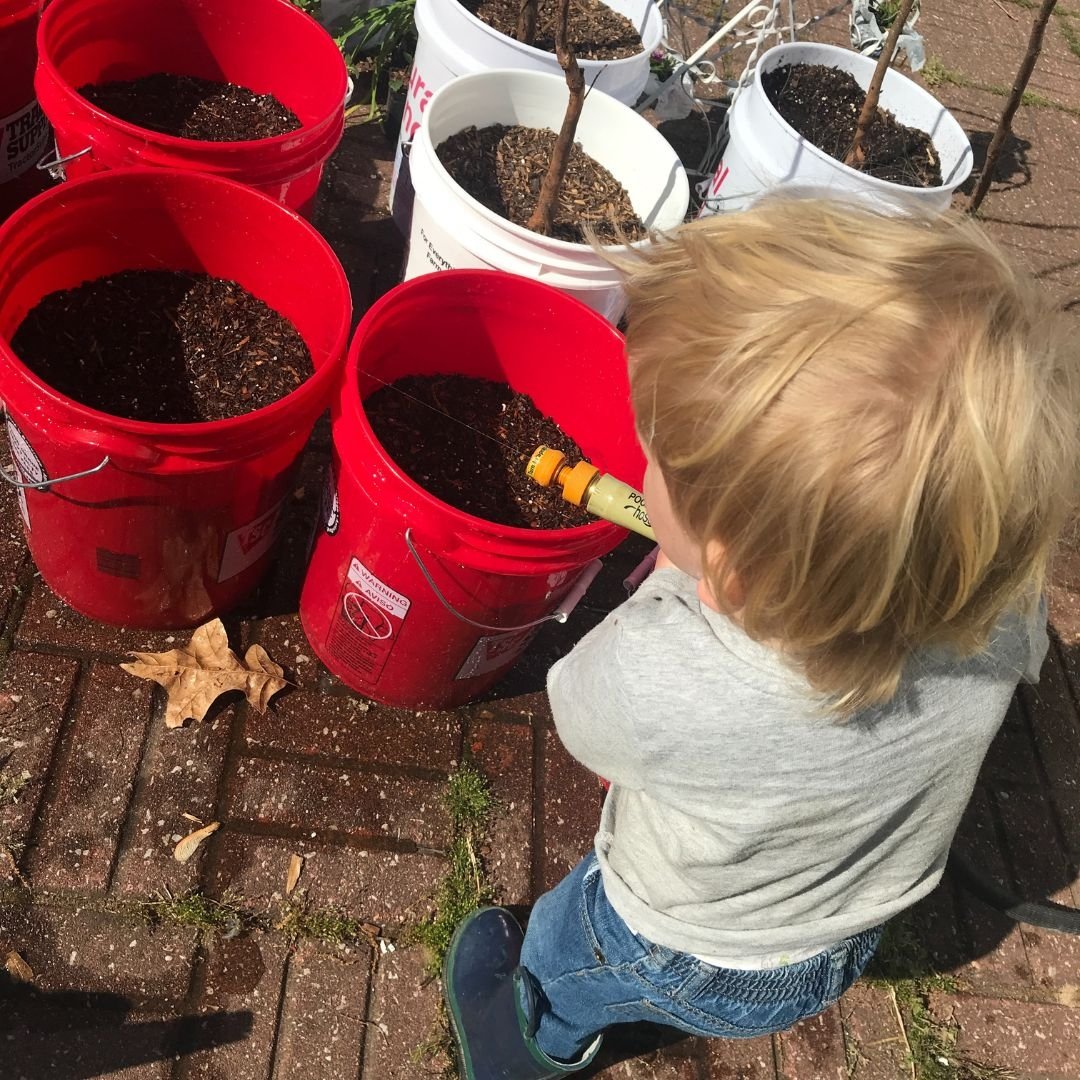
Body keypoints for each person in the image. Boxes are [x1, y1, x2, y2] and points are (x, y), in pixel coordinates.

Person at [441, 196, 1080, 1079]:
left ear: (734, 575)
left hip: (670, 938)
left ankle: (531, 1039)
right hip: (840, 933)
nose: (641, 466)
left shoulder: (670, 671)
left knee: (566, 949)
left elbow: (578, 713)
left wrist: (673, 586)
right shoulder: (999, 596)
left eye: (657, 460)